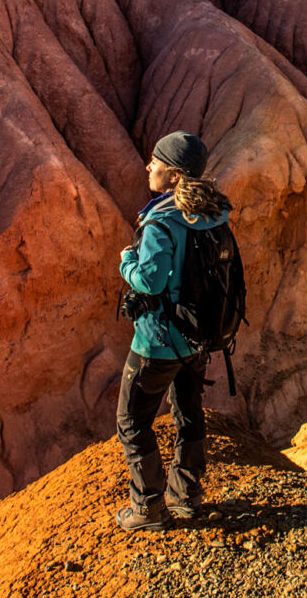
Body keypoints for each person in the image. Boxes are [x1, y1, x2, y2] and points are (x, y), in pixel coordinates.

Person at [114, 129, 232, 532]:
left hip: (158, 341)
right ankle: (185, 498)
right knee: (188, 413)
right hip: (199, 338)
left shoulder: (163, 221)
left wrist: (126, 261)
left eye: (156, 161)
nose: (149, 166)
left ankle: (147, 508)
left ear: (176, 176)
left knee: (131, 420)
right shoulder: (214, 214)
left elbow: (151, 281)